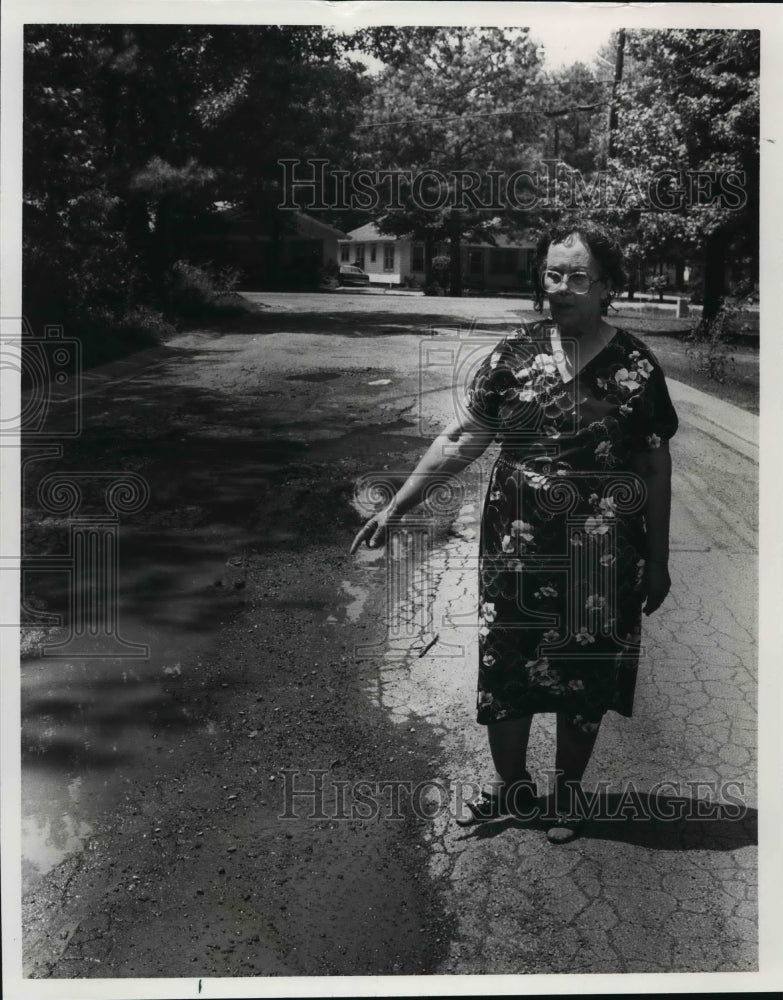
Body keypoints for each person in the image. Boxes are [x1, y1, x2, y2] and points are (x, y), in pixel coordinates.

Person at [350, 222, 678, 843]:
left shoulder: (635, 366)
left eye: (577, 277)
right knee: (508, 664)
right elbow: (462, 438)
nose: (561, 287)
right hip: (515, 551)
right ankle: (512, 786)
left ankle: (567, 793)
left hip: (602, 557)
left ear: (606, 286)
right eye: (552, 273)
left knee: (586, 669)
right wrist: (397, 507)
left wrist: (658, 561)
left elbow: (654, 467)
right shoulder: (514, 355)